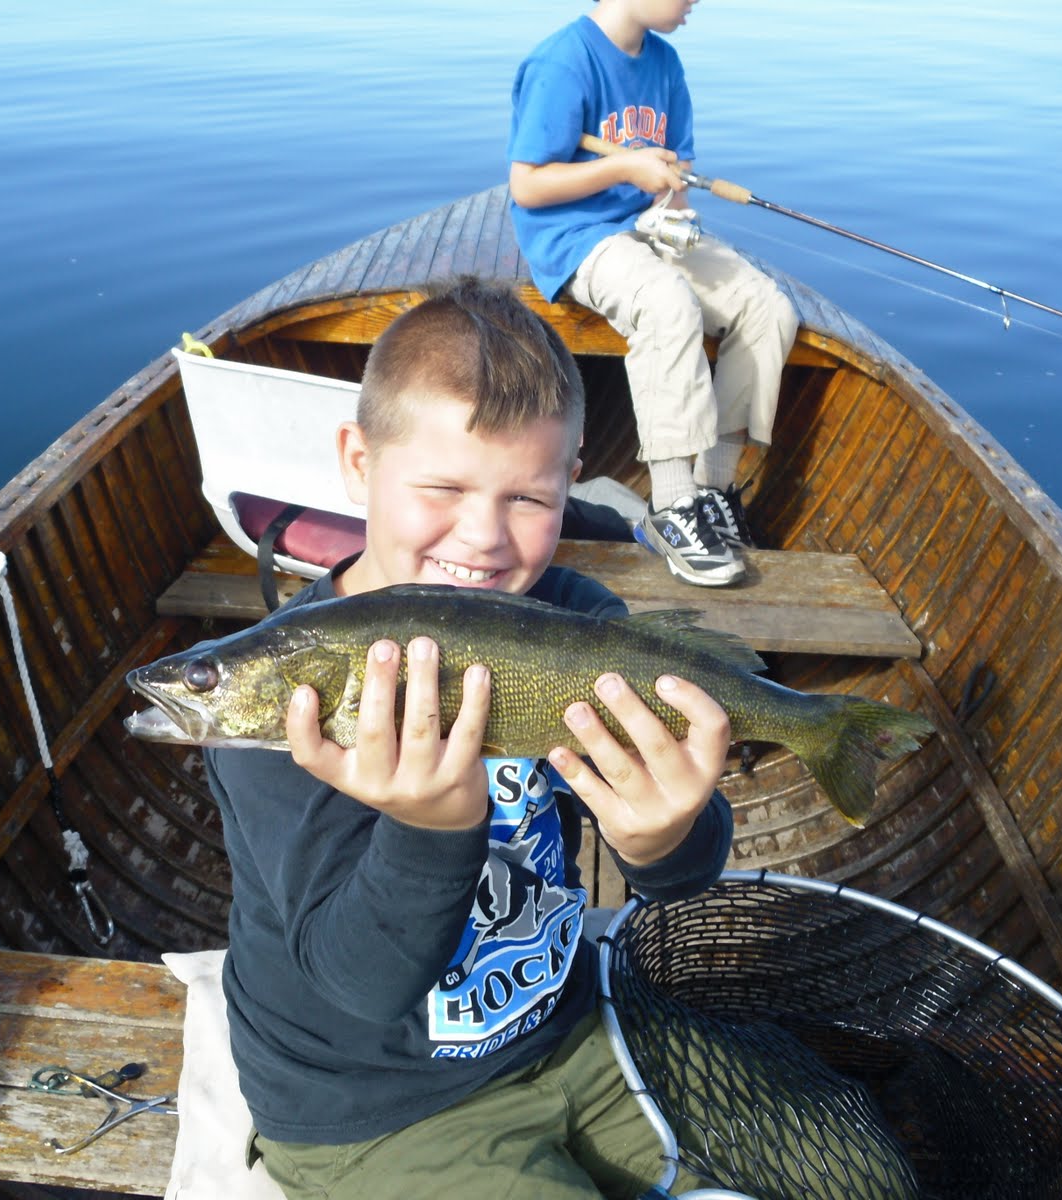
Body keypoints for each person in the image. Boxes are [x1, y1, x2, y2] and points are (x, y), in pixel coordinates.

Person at [203, 276, 733, 1198]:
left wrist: (662, 840)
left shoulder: (573, 618)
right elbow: (359, 984)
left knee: (853, 1170)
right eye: (442, 487)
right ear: (358, 464)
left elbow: (684, 872)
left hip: (565, 1023)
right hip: (377, 1108)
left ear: (573, 483)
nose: (484, 537)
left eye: (528, 499)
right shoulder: (285, 699)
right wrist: (435, 826)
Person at [508, 0, 800, 588]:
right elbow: (528, 184)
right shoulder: (564, 61)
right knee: (667, 302)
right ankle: (671, 505)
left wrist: (672, 212)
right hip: (575, 234)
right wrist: (623, 171)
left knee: (768, 307)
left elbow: (678, 177)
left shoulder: (665, 64)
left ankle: (712, 493)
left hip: (647, 224)